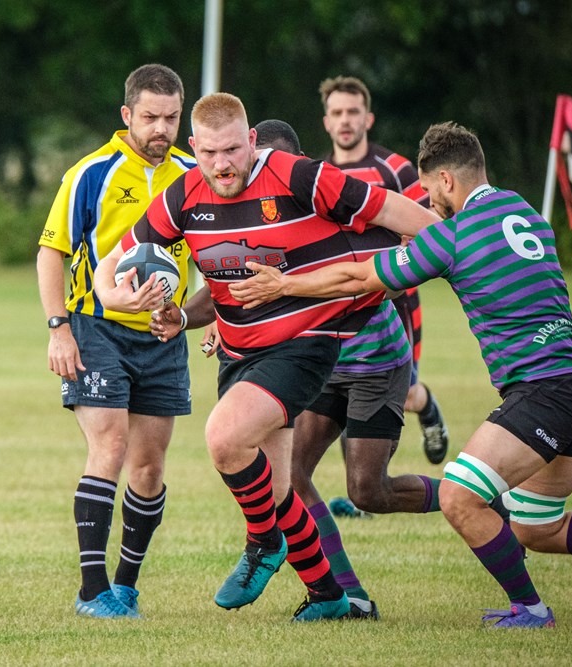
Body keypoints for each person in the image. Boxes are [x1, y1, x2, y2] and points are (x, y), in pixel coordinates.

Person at [230, 121, 572, 628]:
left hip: (542, 391)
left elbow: (359, 276)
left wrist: (284, 284)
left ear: (445, 180)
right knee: (537, 528)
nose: (429, 208)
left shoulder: (455, 236)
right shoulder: (522, 209)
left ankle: (531, 610)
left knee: (461, 496)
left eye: (430, 194)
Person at [95, 93, 438, 622]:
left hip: (304, 345)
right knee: (278, 490)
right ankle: (329, 597)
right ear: (195, 148)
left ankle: (262, 543)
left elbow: (389, 209)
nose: (222, 164)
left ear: (251, 140)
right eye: (209, 153)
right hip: (238, 352)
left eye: (233, 149)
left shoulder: (299, 176)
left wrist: (460, 246)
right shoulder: (181, 197)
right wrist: (122, 299)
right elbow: (113, 265)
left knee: (225, 438)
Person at [35, 64, 196, 619]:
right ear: (127, 115)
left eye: (172, 118)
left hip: (162, 333)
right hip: (94, 327)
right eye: (150, 117)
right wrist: (58, 327)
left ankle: (125, 587)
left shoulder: (194, 174)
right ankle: (90, 591)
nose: (161, 128)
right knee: (111, 446)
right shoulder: (91, 174)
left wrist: (191, 316)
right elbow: (50, 252)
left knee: (149, 466)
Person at [320, 75, 450, 464]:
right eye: (337, 113)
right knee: (343, 392)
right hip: (340, 302)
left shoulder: (395, 169)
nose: (345, 120)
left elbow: (434, 226)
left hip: (397, 305)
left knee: (404, 392)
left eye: (353, 112)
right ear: (326, 121)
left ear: (368, 119)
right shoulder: (318, 174)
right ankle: (360, 498)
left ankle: (426, 407)